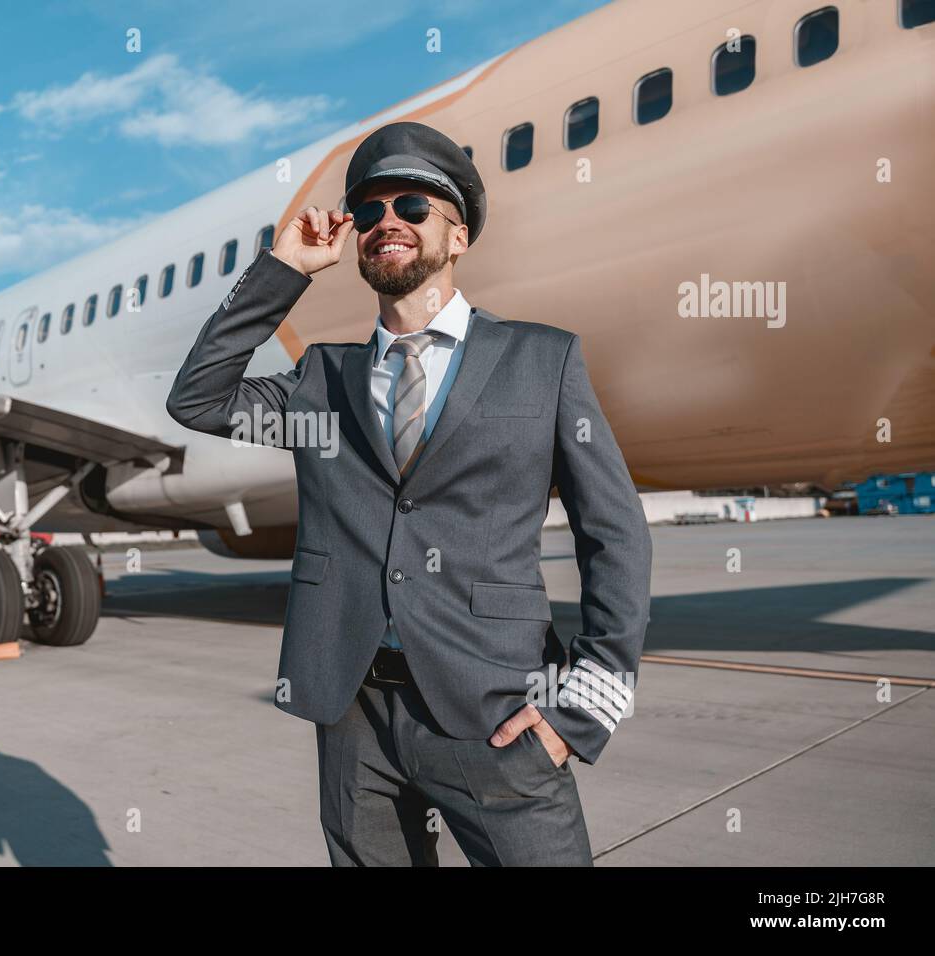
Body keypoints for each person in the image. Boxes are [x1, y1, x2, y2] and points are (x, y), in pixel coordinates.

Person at [166, 121, 652, 866]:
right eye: (369, 211)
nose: (386, 220)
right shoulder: (320, 382)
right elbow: (199, 398)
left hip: (496, 710)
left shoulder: (543, 361)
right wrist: (283, 269)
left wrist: (583, 706)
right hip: (353, 712)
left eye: (414, 208)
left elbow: (615, 535)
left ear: (457, 238)